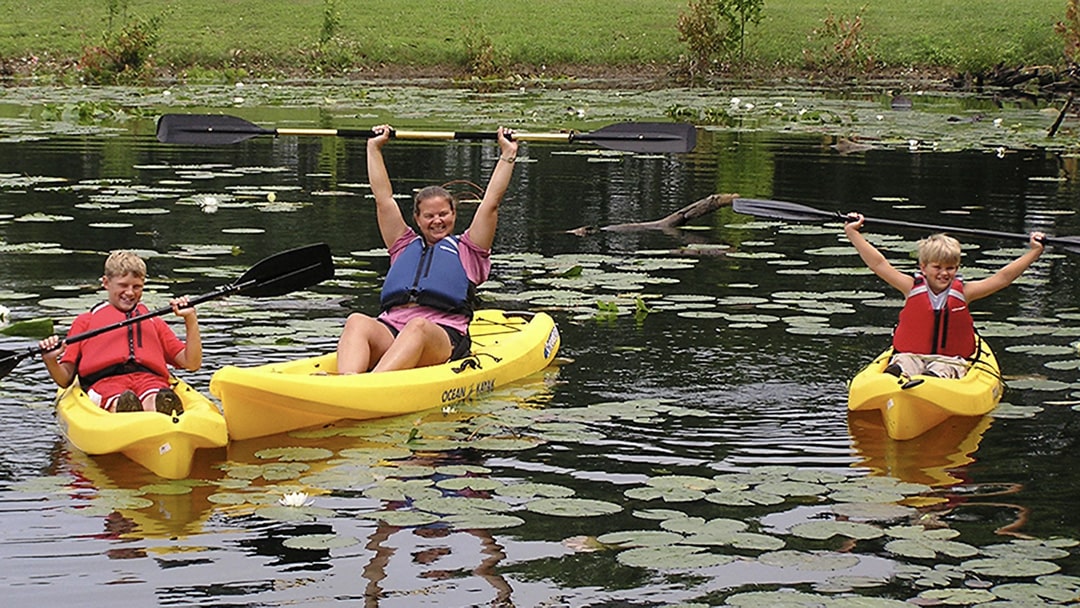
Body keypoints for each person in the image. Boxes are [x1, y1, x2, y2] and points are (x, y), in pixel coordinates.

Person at [335, 124, 518, 374]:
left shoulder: (469, 250)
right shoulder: (403, 245)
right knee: (356, 320)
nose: (437, 221)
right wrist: (374, 148)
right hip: (392, 332)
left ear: (454, 214)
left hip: (443, 337)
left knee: (417, 326)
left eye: (443, 214)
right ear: (418, 219)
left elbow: (491, 204)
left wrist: (507, 154)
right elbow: (383, 200)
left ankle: (369, 386)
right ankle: (347, 381)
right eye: (429, 215)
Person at [844, 213, 1044, 379]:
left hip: (949, 359)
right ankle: (894, 383)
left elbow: (1003, 278)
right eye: (937, 267)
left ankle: (930, 385)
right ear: (923, 267)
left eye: (950, 268)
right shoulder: (910, 287)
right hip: (912, 355)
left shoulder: (965, 292)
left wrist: (1034, 252)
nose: (944, 273)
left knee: (940, 370)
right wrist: (852, 232)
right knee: (901, 365)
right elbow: (878, 264)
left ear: (957, 268)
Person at [38, 250, 201, 414]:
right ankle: (125, 412)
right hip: (104, 383)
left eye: (137, 287)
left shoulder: (153, 322)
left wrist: (190, 319)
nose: (130, 292)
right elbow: (65, 379)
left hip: (150, 380)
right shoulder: (85, 322)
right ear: (106, 282)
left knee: (155, 396)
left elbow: (192, 363)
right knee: (118, 399)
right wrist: (50, 360)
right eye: (123, 285)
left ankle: (160, 410)